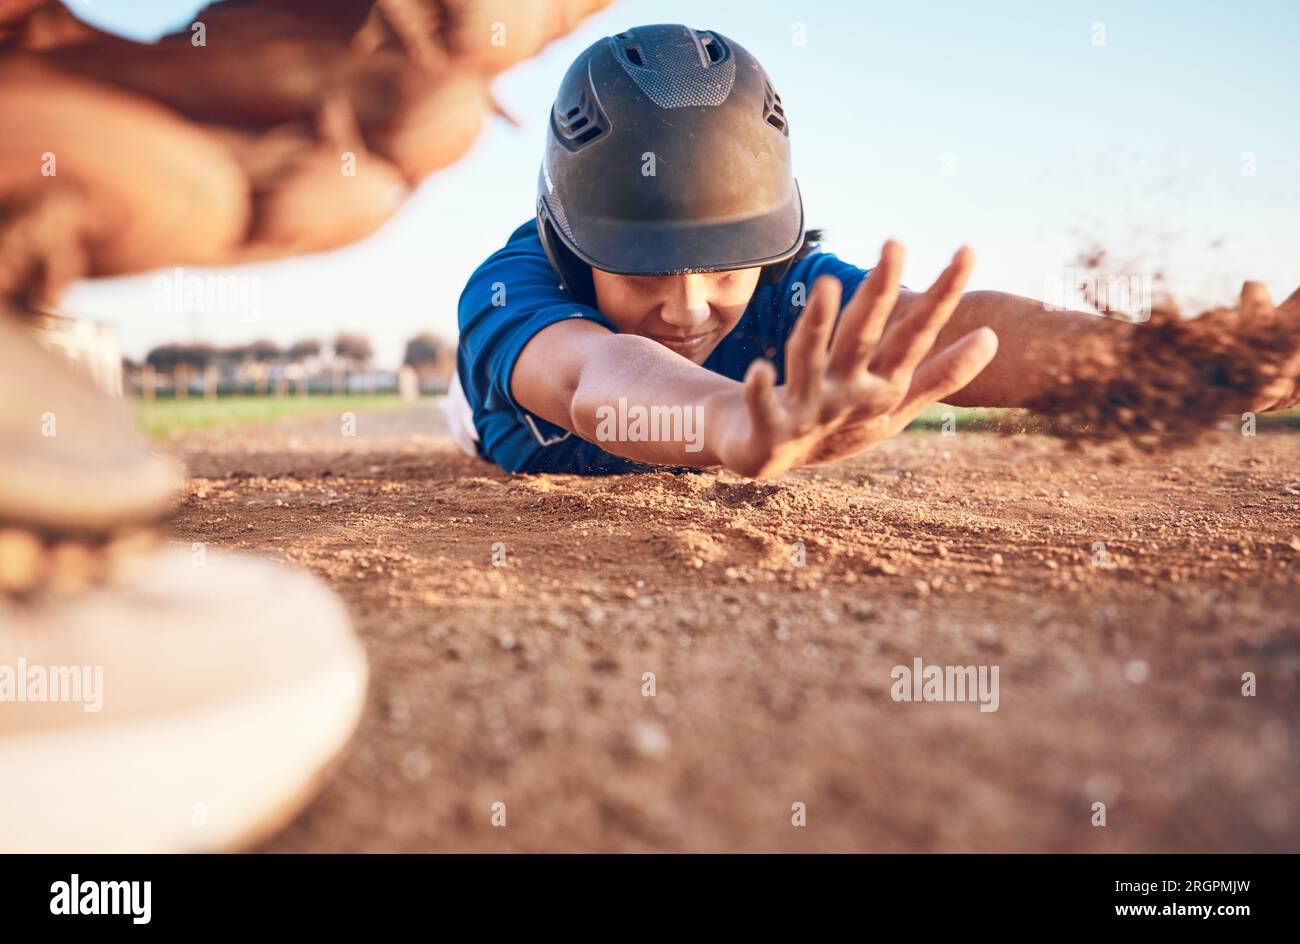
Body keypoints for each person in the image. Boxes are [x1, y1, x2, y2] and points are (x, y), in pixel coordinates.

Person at [452, 23, 1299, 477]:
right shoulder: (513, 292)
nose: (689, 305)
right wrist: (733, 420)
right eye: (644, 268)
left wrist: (1171, 362)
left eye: (726, 263)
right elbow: (593, 380)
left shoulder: (788, 293)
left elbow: (946, 324)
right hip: (488, 426)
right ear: (568, 243)